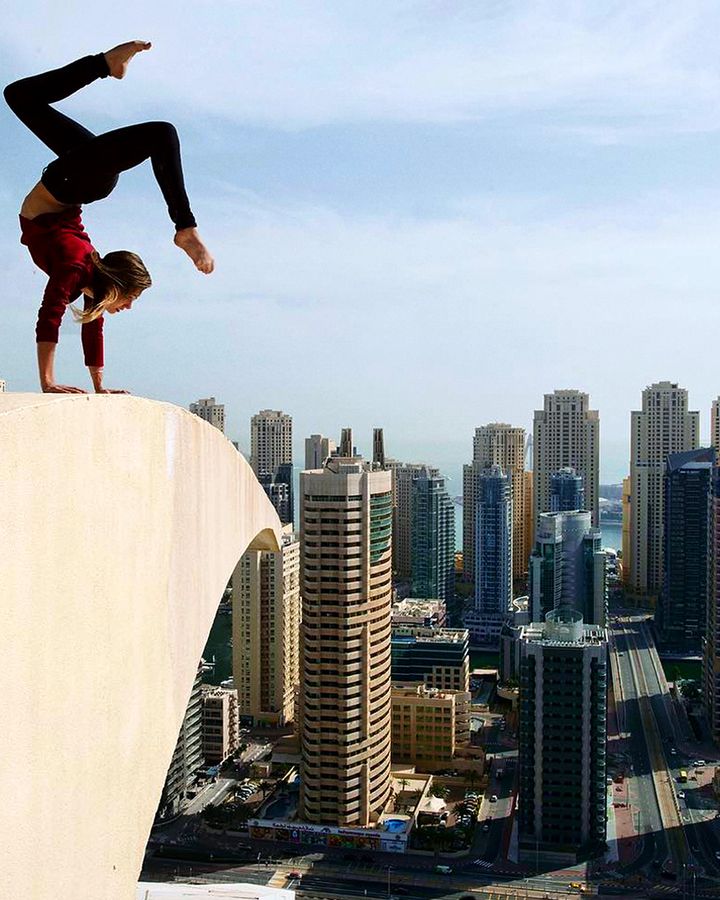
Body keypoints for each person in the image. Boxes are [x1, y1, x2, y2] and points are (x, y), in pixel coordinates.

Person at [4, 41, 214, 394]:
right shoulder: (78, 267)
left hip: (74, 182)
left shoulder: (80, 275)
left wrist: (97, 387)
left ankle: (105, 64)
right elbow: (53, 320)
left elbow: (74, 323)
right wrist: (48, 382)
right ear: (115, 284)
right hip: (72, 183)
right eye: (130, 297)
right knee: (162, 134)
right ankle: (185, 228)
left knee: (19, 96)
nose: (129, 306)